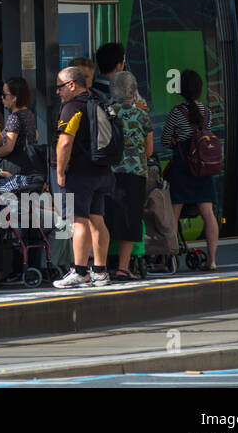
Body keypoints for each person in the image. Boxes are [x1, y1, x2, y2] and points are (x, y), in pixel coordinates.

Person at [51, 66, 114, 288]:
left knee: (78, 221)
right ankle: (100, 271)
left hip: (79, 173)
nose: (57, 92)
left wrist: (60, 173)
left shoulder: (72, 107)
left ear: (71, 85)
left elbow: (65, 142)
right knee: (97, 220)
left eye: (59, 87)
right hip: (101, 170)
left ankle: (79, 271)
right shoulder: (98, 99)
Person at [161, 69, 219, 270]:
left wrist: (177, 140)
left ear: (181, 90)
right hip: (202, 169)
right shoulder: (207, 112)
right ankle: (211, 260)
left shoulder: (177, 112)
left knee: (173, 215)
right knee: (208, 214)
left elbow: (165, 140)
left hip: (182, 168)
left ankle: (172, 259)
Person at [106, 71, 152, 281]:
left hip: (109, 173)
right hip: (135, 174)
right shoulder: (142, 115)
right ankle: (123, 267)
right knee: (130, 220)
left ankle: (101, 265)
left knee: (106, 219)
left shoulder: (105, 113)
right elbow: (149, 151)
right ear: (133, 92)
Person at [0, 76, 40, 192]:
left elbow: (9, 147)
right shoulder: (28, 114)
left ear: (14, 98)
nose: (2, 98)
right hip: (28, 168)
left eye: (4, 95)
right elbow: (36, 135)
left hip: (16, 170)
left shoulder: (14, 117)